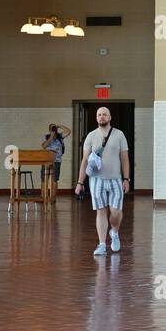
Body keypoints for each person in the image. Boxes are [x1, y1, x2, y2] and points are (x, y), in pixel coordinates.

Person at [74, 106, 130, 256]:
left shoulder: (119, 135)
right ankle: (102, 244)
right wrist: (80, 182)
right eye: (99, 114)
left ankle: (115, 232)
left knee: (116, 212)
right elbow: (85, 160)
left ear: (110, 117)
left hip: (116, 179)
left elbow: (124, 159)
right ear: (96, 118)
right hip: (96, 179)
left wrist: (126, 179)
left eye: (105, 114)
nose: (102, 117)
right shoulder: (91, 136)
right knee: (101, 212)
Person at [42, 123, 71, 196]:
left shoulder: (60, 136)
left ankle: (53, 197)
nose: (54, 129)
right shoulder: (46, 136)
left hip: (57, 161)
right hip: (46, 160)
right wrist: (51, 137)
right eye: (52, 128)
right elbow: (44, 146)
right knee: (44, 178)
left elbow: (68, 131)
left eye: (55, 128)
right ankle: (43, 196)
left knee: (55, 179)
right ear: (49, 130)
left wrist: (59, 126)